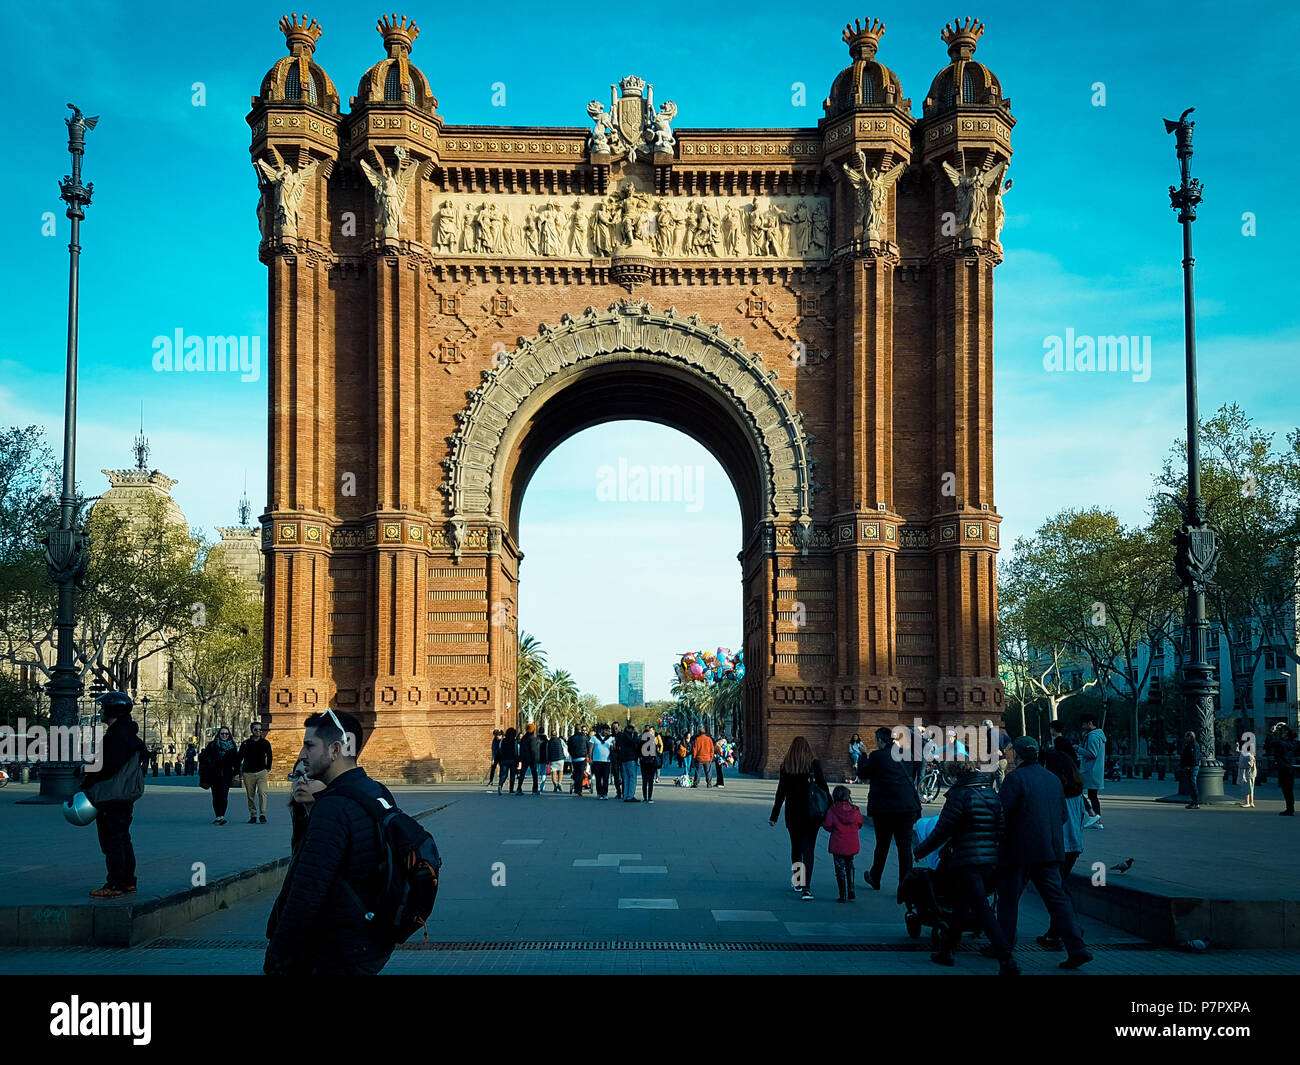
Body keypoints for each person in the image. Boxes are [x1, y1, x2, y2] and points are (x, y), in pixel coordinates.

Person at [264, 709, 398, 975]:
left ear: (336, 749)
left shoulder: (332, 807)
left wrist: (277, 957)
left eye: (309, 745)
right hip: (369, 943)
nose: (302, 754)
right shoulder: (377, 792)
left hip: (334, 952)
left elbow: (307, 891)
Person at [914, 760, 1018, 975]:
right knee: (961, 908)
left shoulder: (959, 795)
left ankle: (1006, 958)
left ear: (954, 775)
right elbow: (1001, 830)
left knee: (981, 910)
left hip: (966, 861)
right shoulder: (991, 793)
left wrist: (921, 850)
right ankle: (946, 951)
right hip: (989, 860)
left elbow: (943, 829)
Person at [996, 737, 1092, 969]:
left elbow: (1001, 814)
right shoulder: (1052, 779)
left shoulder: (1015, 779)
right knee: (1057, 900)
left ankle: (1003, 946)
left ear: (1017, 755)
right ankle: (1077, 947)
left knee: (1008, 899)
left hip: (1020, 850)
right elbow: (1062, 815)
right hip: (1050, 850)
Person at [82, 691, 147, 899]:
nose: (101, 711)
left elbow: (107, 766)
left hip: (111, 796)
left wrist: (86, 769)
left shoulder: (117, 735)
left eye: (103, 708)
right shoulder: (130, 734)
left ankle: (114, 884)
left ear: (112, 710)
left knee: (112, 840)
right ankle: (128, 881)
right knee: (123, 837)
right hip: (124, 795)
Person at [856, 726, 922, 892]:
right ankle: (904, 884)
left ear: (880, 740)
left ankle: (875, 877)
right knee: (904, 847)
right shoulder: (906, 754)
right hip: (907, 807)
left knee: (882, 844)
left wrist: (863, 754)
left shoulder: (878, 756)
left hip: (885, 808)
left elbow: (863, 773)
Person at [1040, 734, 1086, 950]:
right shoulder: (1078, 793)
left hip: (1058, 846)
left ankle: (1068, 928)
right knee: (1058, 888)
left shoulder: (1053, 792)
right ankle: (1058, 929)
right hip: (1074, 845)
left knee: (1056, 891)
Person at [769, 736, 829, 900]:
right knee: (809, 849)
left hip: (793, 813)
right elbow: (823, 788)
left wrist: (774, 815)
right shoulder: (814, 764)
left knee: (796, 848)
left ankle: (797, 881)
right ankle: (806, 888)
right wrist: (829, 811)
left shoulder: (786, 766)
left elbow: (780, 792)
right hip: (812, 814)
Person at [821, 785, 863, 903]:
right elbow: (860, 824)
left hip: (838, 844)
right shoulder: (855, 810)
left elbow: (828, 825)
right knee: (850, 864)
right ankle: (851, 888)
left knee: (840, 868)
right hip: (852, 844)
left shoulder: (832, 810)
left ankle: (842, 894)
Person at [199, 726, 242, 825]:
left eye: (226, 734)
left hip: (227, 774)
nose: (224, 736)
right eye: (222, 733)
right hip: (214, 774)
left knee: (224, 794)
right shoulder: (212, 745)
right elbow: (205, 759)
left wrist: (236, 772)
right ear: (219, 734)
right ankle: (218, 816)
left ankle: (222, 815)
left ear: (229, 735)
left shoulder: (232, 747)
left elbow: (236, 761)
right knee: (215, 795)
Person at [287, 756, 326, 853]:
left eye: (309, 776)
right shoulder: (302, 819)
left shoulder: (331, 827)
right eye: (297, 775)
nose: (300, 781)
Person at [239, 720, 274, 824]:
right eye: (256, 729)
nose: (258, 731)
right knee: (250, 795)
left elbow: (270, 755)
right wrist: (238, 772)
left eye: (260, 729)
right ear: (251, 730)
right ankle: (253, 814)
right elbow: (239, 758)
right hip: (248, 772)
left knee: (263, 792)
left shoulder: (265, 743)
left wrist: (268, 768)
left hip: (261, 772)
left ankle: (262, 814)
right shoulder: (245, 744)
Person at [1078, 714, 1106, 824]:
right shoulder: (1098, 735)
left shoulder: (1092, 736)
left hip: (1090, 771)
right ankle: (1097, 819)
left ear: (1090, 723)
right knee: (1093, 796)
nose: (1082, 726)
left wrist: (1078, 749)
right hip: (1095, 771)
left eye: (1084, 724)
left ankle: (1093, 815)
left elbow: (1092, 753)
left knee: (1078, 792)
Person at [1272, 725, 1298, 816]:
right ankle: (1290, 808)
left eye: (1281, 733)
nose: (1280, 734)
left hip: (1284, 768)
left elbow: (1271, 743)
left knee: (1286, 790)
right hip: (1290, 768)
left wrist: (1273, 732)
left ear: (1286, 735)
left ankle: (1290, 809)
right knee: (1289, 790)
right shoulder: (1293, 743)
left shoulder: (1282, 744)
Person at [616, 722, 640, 802]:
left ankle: (626, 795)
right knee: (632, 777)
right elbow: (634, 742)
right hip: (630, 758)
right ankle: (630, 796)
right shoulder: (626, 736)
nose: (633, 730)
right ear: (629, 729)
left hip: (624, 759)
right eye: (632, 729)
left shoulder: (622, 736)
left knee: (626, 778)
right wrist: (636, 733)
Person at [516, 723, 541, 794]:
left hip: (524, 758)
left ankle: (519, 788)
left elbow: (521, 749)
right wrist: (535, 759)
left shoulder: (523, 738)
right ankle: (535, 789)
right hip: (531, 759)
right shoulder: (533, 738)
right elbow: (533, 750)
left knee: (522, 774)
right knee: (534, 774)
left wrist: (520, 758)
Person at [590, 726, 613, 799]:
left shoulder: (610, 738)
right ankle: (599, 793)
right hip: (597, 760)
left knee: (606, 778)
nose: (607, 732)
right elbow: (591, 749)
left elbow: (612, 749)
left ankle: (605, 793)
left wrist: (613, 744)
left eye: (608, 731)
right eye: (606, 731)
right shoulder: (594, 738)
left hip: (606, 761)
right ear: (602, 730)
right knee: (598, 778)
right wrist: (590, 759)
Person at [568, 725, 590, 797]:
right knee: (581, 774)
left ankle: (576, 788)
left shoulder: (571, 738)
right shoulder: (585, 737)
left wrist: (572, 754)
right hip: (582, 757)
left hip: (575, 757)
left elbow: (569, 748)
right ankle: (579, 790)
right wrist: (587, 754)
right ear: (580, 729)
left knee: (576, 772)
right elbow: (588, 746)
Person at [1180, 730, 1200, 810]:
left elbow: (1194, 757)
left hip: (1192, 767)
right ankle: (1194, 802)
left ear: (1190, 737)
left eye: (1186, 737)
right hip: (1192, 767)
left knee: (1193, 785)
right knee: (1192, 785)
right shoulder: (1191, 745)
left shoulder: (1193, 745)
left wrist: (1189, 766)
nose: (1185, 738)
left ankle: (1195, 802)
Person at [497, 727, 519, 796]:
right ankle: (511, 789)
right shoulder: (514, 741)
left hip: (504, 759)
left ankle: (500, 785)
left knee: (504, 774)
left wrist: (501, 757)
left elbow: (500, 749)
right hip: (512, 759)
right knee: (512, 775)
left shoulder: (503, 740)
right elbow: (516, 751)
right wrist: (517, 760)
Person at [640, 726, 660, 803]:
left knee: (644, 780)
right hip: (651, 763)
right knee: (650, 781)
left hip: (644, 763)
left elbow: (638, 752)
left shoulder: (641, 743)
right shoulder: (652, 742)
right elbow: (655, 753)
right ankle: (650, 798)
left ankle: (645, 798)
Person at [1239, 740, 1256, 809]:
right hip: (1251, 773)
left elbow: (1248, 765)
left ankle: (1247, 802)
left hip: (1247, 773)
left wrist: (1240, 765)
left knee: (1247, 788)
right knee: (1251, 788)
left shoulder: (1247, 755)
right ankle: (1251, 802)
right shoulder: (1250, 754)